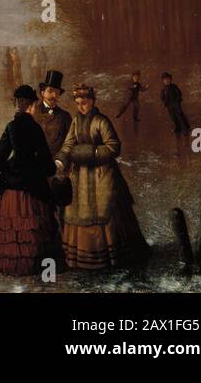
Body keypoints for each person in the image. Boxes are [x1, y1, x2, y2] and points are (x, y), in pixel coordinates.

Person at [0, 85, 65, 276]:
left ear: (17, 105)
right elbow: (46, 160)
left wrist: (3, 168)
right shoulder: (35, 128)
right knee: (35, 224)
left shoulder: (11, 127)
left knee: (8, 224)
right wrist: (51, 168)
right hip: (33, 181)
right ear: (31, 106)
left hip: (12, 181)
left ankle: (8, 264)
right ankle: (35, 265)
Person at [56, 84, 150, 270]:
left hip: (102, 175)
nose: (81, 107)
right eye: (78, 103)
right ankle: (80, 259)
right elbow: (68, 144)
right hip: (80, 178)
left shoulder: (101, 121)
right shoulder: (76, 121)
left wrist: (87, 152)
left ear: (92, 101)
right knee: (78, 212)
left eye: (84, 103)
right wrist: (60, 160)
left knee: (105, 211)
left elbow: (114, 146)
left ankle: (109, 257)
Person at [32, 70, 72, 155]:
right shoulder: (33, 112)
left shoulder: (65, 116)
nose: (54, 96)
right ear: (42, 93)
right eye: (50, 91)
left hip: (57, 163)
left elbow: (70, 142)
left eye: (57, 92)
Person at [159, 72, 192, 136]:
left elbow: (179, 94)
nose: (167, 81)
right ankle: (178, 127)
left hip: (176, 104)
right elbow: (162, 97)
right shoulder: (163, 89)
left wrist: (177, 101)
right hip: (169, 105)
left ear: (171, 80)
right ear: (163, 81)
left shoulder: (174, 86)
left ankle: (186, 128)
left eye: (168, 79)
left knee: (180, 116)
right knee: (173, 117)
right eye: (165, 80)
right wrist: (165, 102)